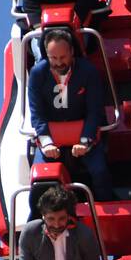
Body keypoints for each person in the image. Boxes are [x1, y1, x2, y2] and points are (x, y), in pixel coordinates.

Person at [28, 28, 115, 202]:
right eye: (54, 58)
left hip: (83, 132)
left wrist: (85, 140)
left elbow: (95, 111)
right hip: (51, 137)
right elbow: (36, 114)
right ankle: (38, 219)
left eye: (63, 57)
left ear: (72, 52)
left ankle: (107, 204)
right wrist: (46, 143)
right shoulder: (38, 75)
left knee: (99, 171)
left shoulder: (87, 72)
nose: (59, 63)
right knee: (39, 181)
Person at [17, 186, 103, 260]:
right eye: (51, 219)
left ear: (69, 216)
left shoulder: (84, 235)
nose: (56, 225)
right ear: (43, 216)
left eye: (61, 219)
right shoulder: (30, 233)